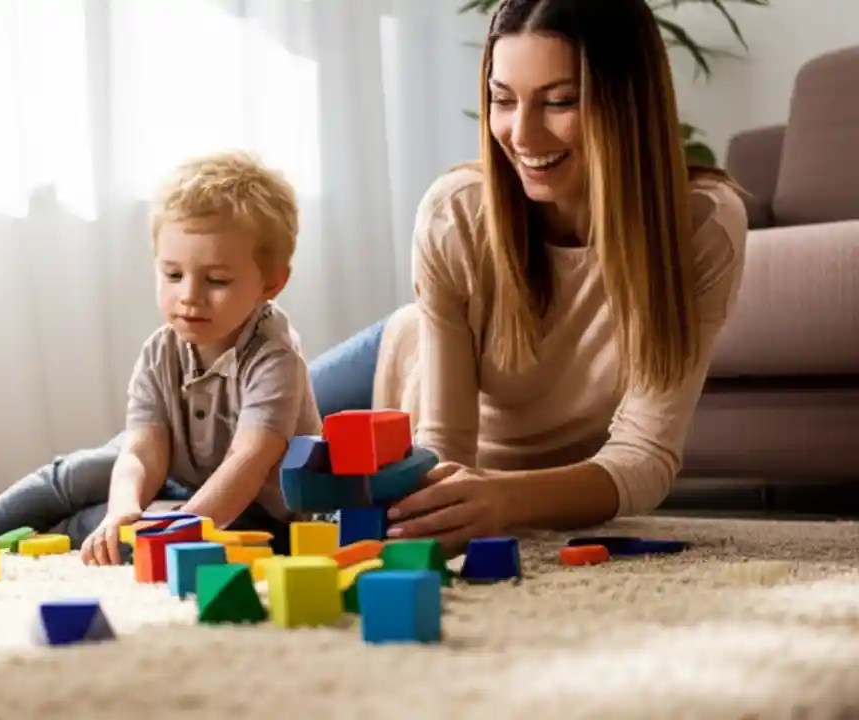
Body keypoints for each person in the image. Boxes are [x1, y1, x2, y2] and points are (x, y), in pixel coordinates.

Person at [309, 0, 749, 554]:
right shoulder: (456, 212)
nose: (522, 135)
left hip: (503, 474)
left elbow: (645, 457)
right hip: (403, 357)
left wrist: (506, 499)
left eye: (559, 101)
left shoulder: (701, 228)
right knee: (216, 447)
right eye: (502, 100)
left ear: (627, 104)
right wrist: (446, 500)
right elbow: (443, 441)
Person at [0, 151, 320, 563]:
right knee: (84, 472)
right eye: (173, 275)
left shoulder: (273, 356)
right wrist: (122, 511)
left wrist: (181, 526)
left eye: (217, 280)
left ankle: (62, 531)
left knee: (143, 540)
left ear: (271, 284)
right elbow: (142, 452)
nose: (189, 296)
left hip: (262, 514)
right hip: (184, 482)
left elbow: (248, 460)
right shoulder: (160, 350)